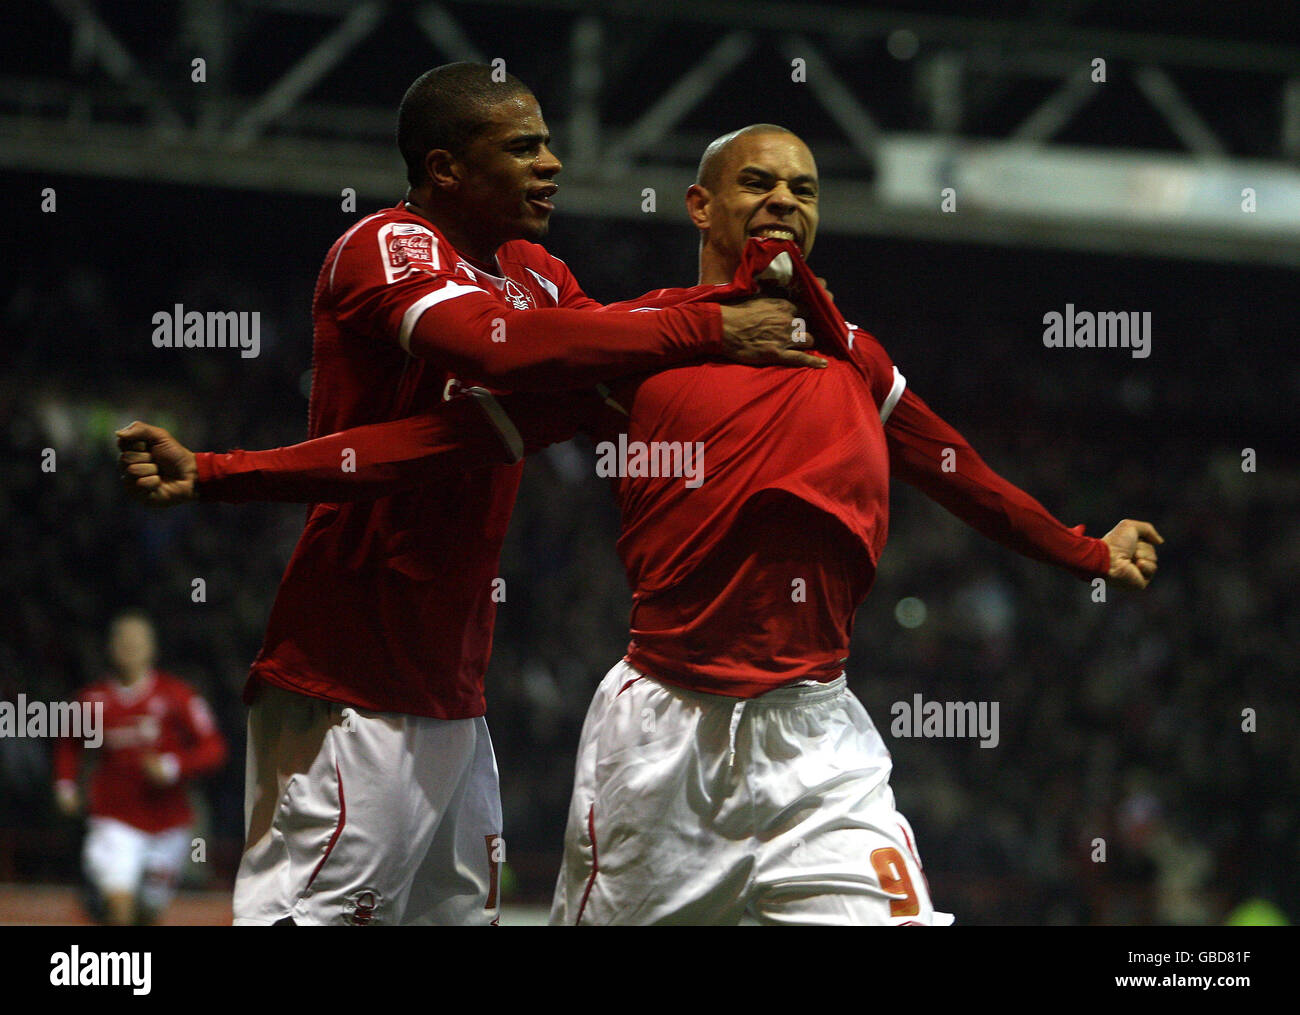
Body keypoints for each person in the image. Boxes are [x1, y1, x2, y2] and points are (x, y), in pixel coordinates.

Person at [119, 125, 1162, 925]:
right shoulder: (636, 350)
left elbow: (953, 467)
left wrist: (1084, 549)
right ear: (701, 205)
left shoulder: (857, 358)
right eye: (758, 182)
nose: (783, 202)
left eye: (803, 188)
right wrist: (218, 472)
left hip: (819, 740)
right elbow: (432, 444)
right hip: (659, 741)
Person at [116, 66, 813, 927]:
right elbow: (495, 351)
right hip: (348, 670)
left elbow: (611, 380)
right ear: (444, 167)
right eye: (524, 147)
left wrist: (762, 332)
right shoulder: (387, 246)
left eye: (550, 142)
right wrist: (708, 325)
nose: (553, 163)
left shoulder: (538, 273)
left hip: (451, 687)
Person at [53, 612, 227, 926]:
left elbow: (214, 748)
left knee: (148, 912)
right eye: (122, 639)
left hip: (168, 823)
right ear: (110, 647)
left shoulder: (178, 695)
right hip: (113, 818)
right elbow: (69, 744)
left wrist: (173, 766)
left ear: (152, 647)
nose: (129, 646)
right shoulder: (90, 700)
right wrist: (65, 785)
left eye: (137, 640)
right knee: (120, 905)